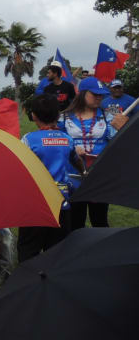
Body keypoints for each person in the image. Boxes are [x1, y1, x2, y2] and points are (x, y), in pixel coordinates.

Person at [18, 94, 82, 261]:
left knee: (28, 249)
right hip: (62, 203)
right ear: (57, 115)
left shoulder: (28, 139)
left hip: (35, 204)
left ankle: (28, 277)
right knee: (56, 252)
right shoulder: (67, 139)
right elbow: (77, 161)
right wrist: (84, 172)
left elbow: (19, 166)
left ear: (34, 116)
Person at [58, 77, 116, 230]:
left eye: (101, 94)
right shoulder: (64, 117)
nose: (99, 98)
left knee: (100, 220)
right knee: (75, 222)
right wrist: (71, 146)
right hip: (73, 176)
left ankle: (102, 246)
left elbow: (117, 142)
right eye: (95, 94)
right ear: (82, 93)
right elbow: (57, 142)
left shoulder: (108, 116)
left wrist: (121, 127)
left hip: (98, 175)